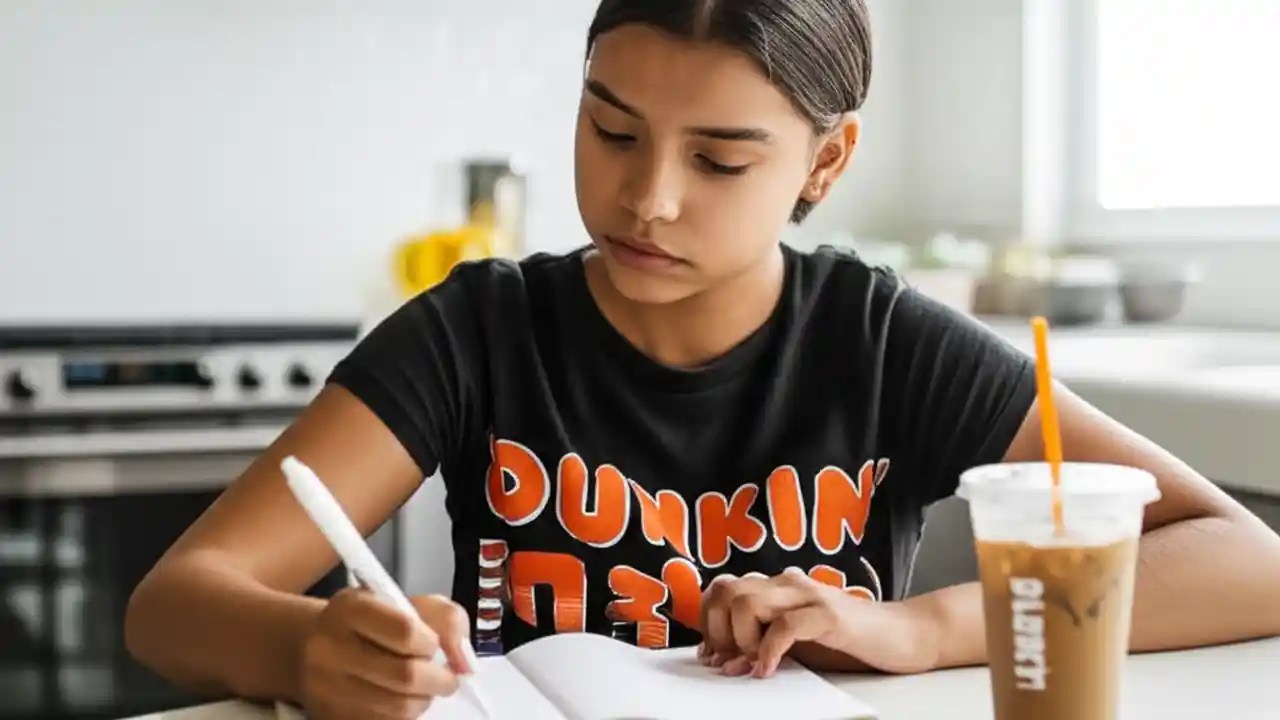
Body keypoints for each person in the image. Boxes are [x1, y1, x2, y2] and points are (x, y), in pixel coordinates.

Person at [125, 0, 1280, 717]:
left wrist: (917, 629)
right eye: (610, 129)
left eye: (719, 161)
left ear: (823, 164)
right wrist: (306, 648)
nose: (647, 199)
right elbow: (174, 603)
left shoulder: (881, 342)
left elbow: (1247, 559)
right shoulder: (477, 331)